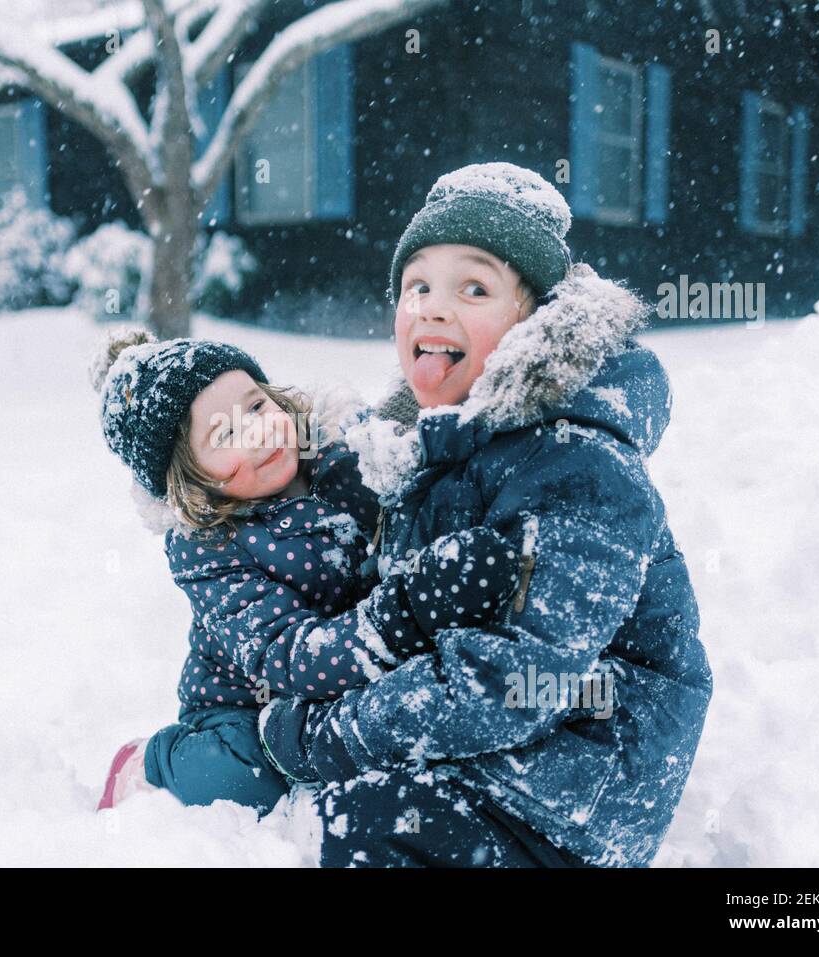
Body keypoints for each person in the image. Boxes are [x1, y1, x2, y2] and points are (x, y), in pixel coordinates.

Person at [258, 162, 715, 867]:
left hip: (578, 792)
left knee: (349, 826)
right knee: (310, 810)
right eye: (417, 286)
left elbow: (512, 681)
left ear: (536, 324)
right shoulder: (428, 449)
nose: (434, 308)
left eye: (474, 287)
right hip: (499, 749)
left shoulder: (577, 465)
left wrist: (336, 734)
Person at [89, 328, 523, 813]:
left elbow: (416, 468)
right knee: (249, 780)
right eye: (226, 434)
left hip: (340, 682)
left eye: (255, 407)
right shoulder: (210, 550)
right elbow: (290, 655)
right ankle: (151, 763)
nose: (258, 431)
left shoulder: (343, 456)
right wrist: (401, 618)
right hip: (248, 705)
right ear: (191, 479)